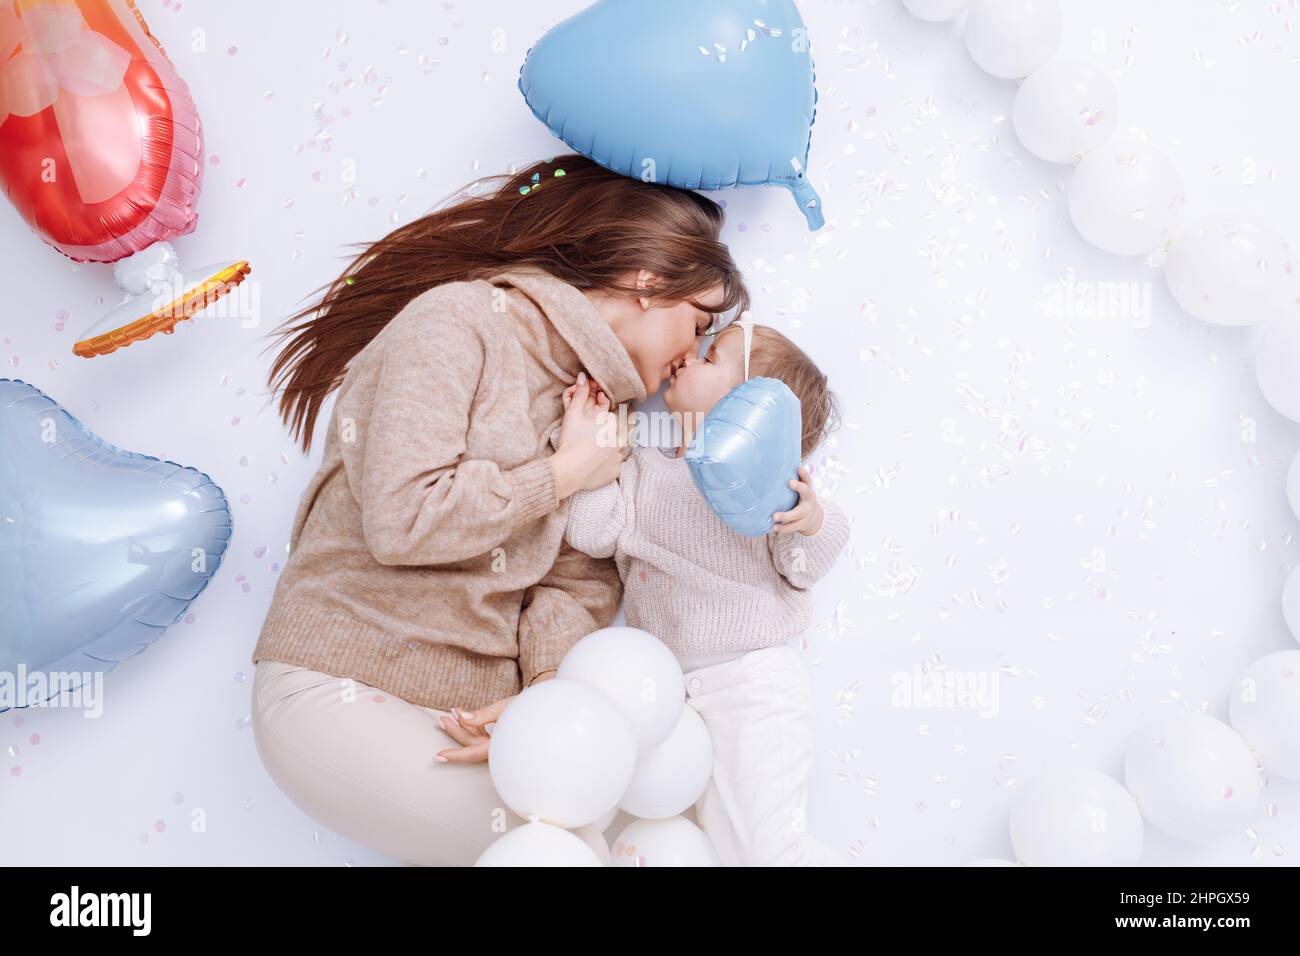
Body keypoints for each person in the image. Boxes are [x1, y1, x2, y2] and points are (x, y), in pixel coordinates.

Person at [249, 154, 749, 866]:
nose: (691, 355)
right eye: (698, 322)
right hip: (342, 684)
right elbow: (403, 517)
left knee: (600, 835)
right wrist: (562, 472)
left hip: (474, 721)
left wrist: (543, 694)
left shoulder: (611, 420)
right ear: (648, 282)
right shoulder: (459, 322)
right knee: (564, 854)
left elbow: (573, 585)